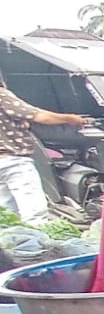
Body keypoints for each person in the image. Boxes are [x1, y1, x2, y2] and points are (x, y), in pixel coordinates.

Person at [0, 86, 89, 221]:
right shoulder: (2, 96)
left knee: (8, 214)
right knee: (34, 212)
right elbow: (39, 116)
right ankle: (33, 241)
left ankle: (13, 240)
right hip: (13, 162)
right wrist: (71, 119)